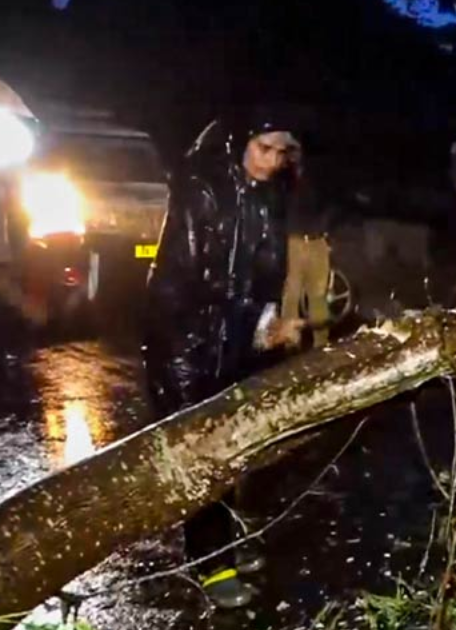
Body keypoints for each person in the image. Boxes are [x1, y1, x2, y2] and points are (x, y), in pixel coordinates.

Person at [142, 111, 306, 609]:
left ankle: (222, 546)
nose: (272, 161)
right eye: (263, 148)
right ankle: (211, 564)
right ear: (240, 142)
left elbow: (269, 269)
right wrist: (232, 320)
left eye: (281, 152)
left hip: (232, 337)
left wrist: (269, 319)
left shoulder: (271, 194)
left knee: (234, 447)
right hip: (184, 339)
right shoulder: (202, 187)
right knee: (202, 452)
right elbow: (184, 277)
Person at [282, 165, 336, 347]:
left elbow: (331, 210)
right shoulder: (284, 183)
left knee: (318, 295)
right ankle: (289, 342)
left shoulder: (320, 182)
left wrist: (327, 238)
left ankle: (321, 343)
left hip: (317, 242)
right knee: (292, 294)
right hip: (295, 243)